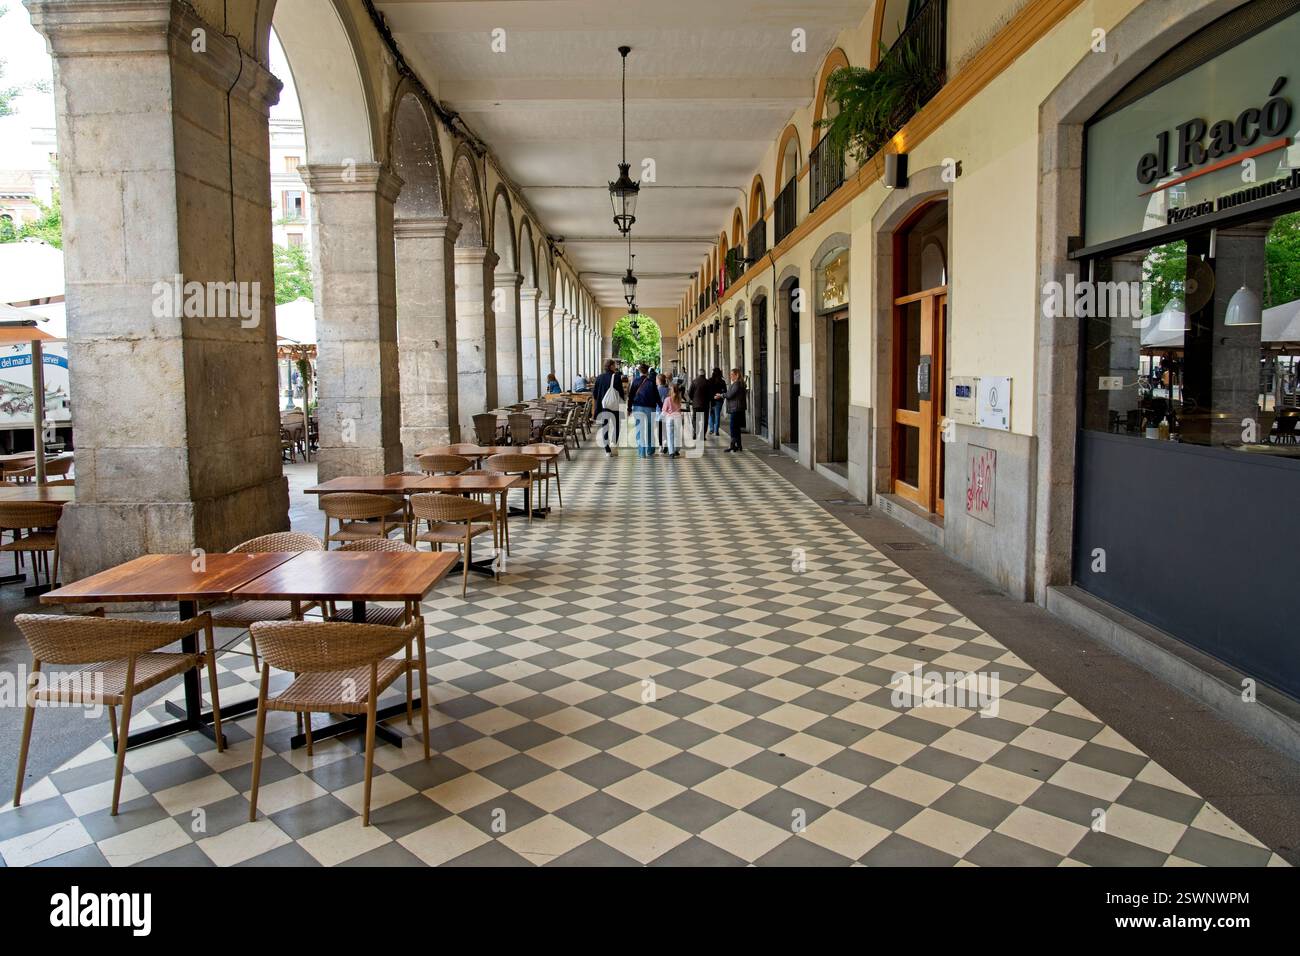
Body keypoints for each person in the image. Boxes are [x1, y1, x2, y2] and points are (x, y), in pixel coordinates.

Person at [591, 359, 624, 456]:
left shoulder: (599, 377)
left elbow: (595, 394)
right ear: (611, 366)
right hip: (615, 406)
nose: (615, 367)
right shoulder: (616, 377)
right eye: (614, 365)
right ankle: (614, 442)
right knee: (617, 425)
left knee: (605, 426)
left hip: (603, 406)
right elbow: (621, 393)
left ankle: (607, 450)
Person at [629, 363, 662, 458]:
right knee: (650, 430)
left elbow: (631, 396)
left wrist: (629, 408)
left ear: (639, 371)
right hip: (650, 408)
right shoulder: (651, 382)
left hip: (638, 407)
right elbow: (657, 397)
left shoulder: (635, 381)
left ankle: (641, 452)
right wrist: (662, 407)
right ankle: (650, 451)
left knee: (639, 430)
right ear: (647, 371)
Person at [724, 368, 748, 453]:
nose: (730, 376)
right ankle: (739, 445)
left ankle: (733, 446)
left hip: (735, 409)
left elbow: (730, 395)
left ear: (737, 375)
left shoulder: (737, 384)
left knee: (733, 428)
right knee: (736, 428)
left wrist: (722, 395)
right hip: (738, 408)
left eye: (732, 375)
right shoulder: (740, 384)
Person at [662, 382, 684, 458]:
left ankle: (671, 452)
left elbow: (664, 410)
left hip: (670, 419)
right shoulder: (679, 399)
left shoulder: (667, 399)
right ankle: (676, 450)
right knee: (677, 435)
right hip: (678, 418)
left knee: (670, 435)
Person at [689, 369, 712, 442]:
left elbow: (690, 393)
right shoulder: (708, 382)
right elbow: (710, 394)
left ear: (698, 374)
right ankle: (703, 435)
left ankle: (696, 431)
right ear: (704, 374)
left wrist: (693, 399)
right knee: (705, 420)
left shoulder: (694, 381)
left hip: (696, 404)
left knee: (695, 418)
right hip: (705, 404)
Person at [708, 367, 727, 436]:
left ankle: (711, 429)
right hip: (719, 400)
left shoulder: (709, 380)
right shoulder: (722, 381)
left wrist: (712, 396)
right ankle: (716, 431)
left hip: (711, 400)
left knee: (711, 414)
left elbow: (708, 391)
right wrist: (720, 396)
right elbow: (725, 391)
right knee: (717, 415)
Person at [656, 373, 670, 453]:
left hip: (658, 412)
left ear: (659, 380)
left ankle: (660, 445)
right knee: (666, 429)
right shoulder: (668, 390)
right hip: (668, 413)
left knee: (660, 430)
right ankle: (666, 443)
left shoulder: (656, 390)